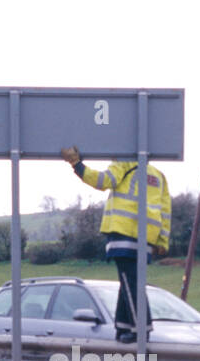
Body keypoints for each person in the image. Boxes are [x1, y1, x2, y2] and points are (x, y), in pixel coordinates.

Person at [61, 145, 171, 343]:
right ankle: (123, 327)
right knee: (129, 281)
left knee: (131, 282)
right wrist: (162, 241)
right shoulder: (158, 175)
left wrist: (76, 165)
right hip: (146, 237)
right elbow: (165, 211)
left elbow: (103, 181)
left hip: (123, 232)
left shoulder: (125, 162)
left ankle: (140, 329)